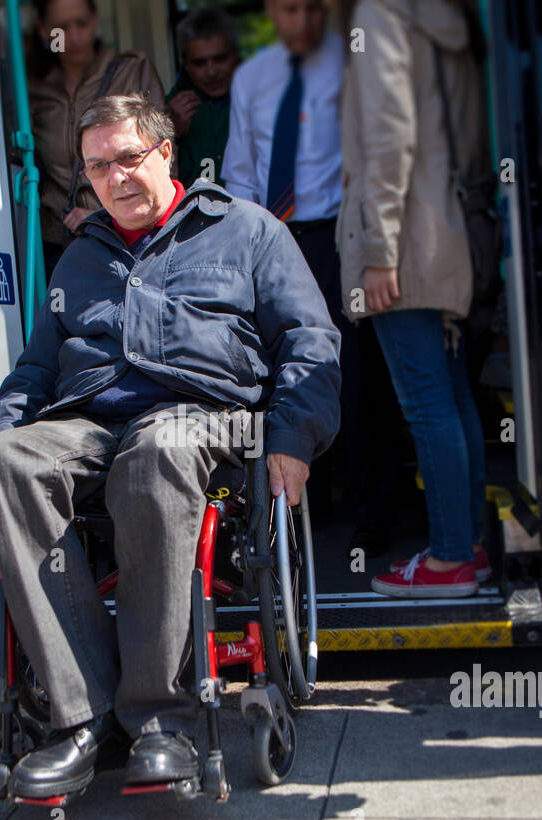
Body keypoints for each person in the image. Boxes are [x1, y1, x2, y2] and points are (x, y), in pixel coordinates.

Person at [0, 93, 340, 798]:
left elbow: (310, 340)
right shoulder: (81, 258)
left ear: (166, 152)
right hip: (91, 419)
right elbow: (36, 369)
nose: (114, 178)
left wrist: (293, 436)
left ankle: (156, 720)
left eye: (127, 158)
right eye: (96, 167)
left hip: (202, 415)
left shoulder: (246, 231)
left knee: (156, 452)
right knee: (6, 462)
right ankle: (84, 719)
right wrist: (2, 427)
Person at [223, 0, 402, 558]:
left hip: (336, 238)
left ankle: (373, 515)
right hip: (273, 241)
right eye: (288, 10)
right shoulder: (252, 77)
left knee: (355, 376)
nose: (300, 22)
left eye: (310, 9)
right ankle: (303, 511)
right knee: (281, 372)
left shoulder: (353, 64)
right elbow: (240, 171)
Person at [337, 0, 490, 598]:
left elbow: (387, 139)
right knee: (452, 397)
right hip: (445, 237)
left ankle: (449, 559)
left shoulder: (380, 17)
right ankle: (468, 547)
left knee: (427, 406)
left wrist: (379, 250)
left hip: (401, 249)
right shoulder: (446, 20)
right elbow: (470, 149)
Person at [26, 0, 166, 276]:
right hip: (59, 245)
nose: (74, 36)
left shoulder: (131, 70)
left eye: (82, 23)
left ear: (96, 20)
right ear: (43, 30)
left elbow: (161, 161)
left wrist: (106, 217)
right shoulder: (33, 89)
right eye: (61, 28)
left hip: (128, 240)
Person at [166, 6, 240, 187]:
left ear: (235, 56)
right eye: (199, 63)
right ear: (186, 65)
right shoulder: (170, 109)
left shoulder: (262, 99)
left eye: (220, 59)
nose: (211, 72)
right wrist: (171, 132)